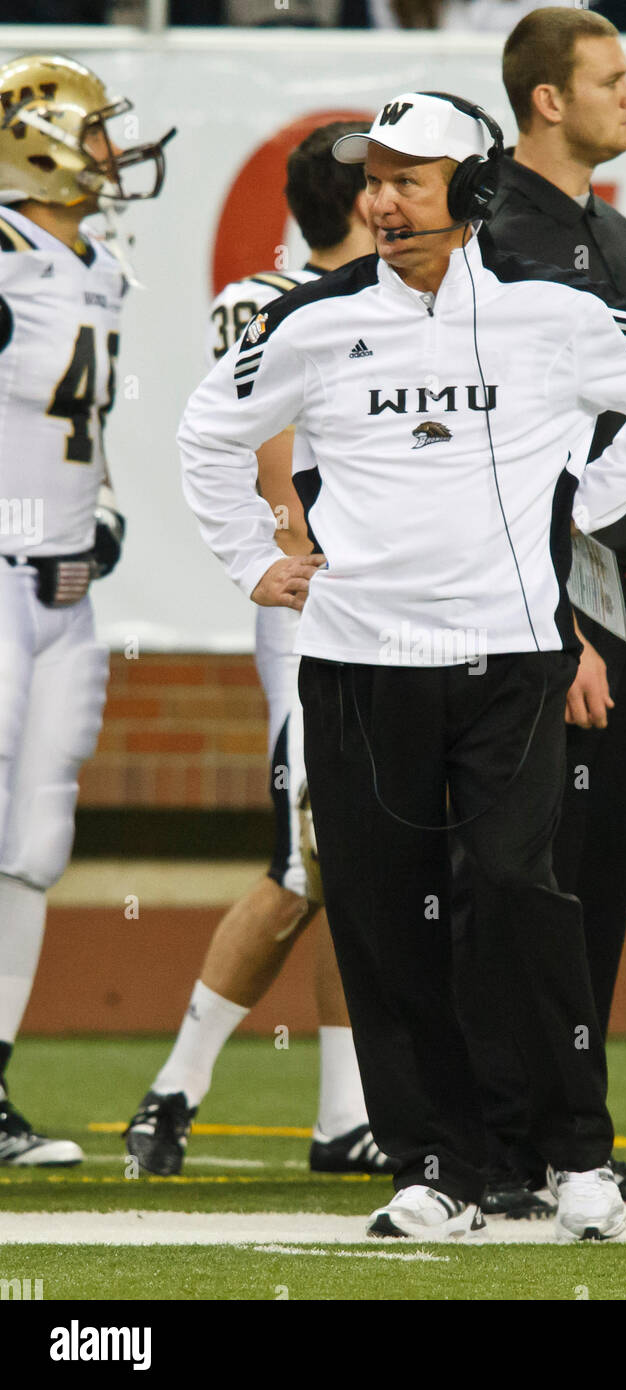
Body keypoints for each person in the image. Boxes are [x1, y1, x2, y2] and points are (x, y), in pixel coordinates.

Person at [178, 89, 626, 1241]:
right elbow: (207, 431)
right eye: (371, 180)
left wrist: (585, 506)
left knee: (520, 890)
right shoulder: (313, 321)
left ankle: (578, 1155)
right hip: (356, 665)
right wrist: (248, 558)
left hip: (511, 659)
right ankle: (436, 1168)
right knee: (381, 915)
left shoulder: (555, 310)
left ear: (469, 194)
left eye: (406, 181)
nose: (380, 201)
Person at [460, 4, 626, 1215]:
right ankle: (506, 1145)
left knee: (605, 865)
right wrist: (549, 622)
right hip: (549, 605)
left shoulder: (611, 231)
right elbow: (497, 450)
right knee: (529, 876)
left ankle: (579, 1139)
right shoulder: (496, 235)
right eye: (612, 80)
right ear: (546, 99)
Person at [124, 123, 391, 1178]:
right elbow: (264, 448)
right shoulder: (271, 299)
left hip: (381, 616)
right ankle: (173, 1089)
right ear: (357, 199)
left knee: (358, 871)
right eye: (382, 180)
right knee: (300, 863)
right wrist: (292, 526)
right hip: (311, 614)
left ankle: (343, 1115)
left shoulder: (391, 298)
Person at [0, 53, 174, 1165]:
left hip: (61, 590)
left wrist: (96, 509)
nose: (115, 153)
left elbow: (79, 425)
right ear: (41, 142)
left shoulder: (92, 261)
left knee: (35, 843)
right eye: (97, 132)